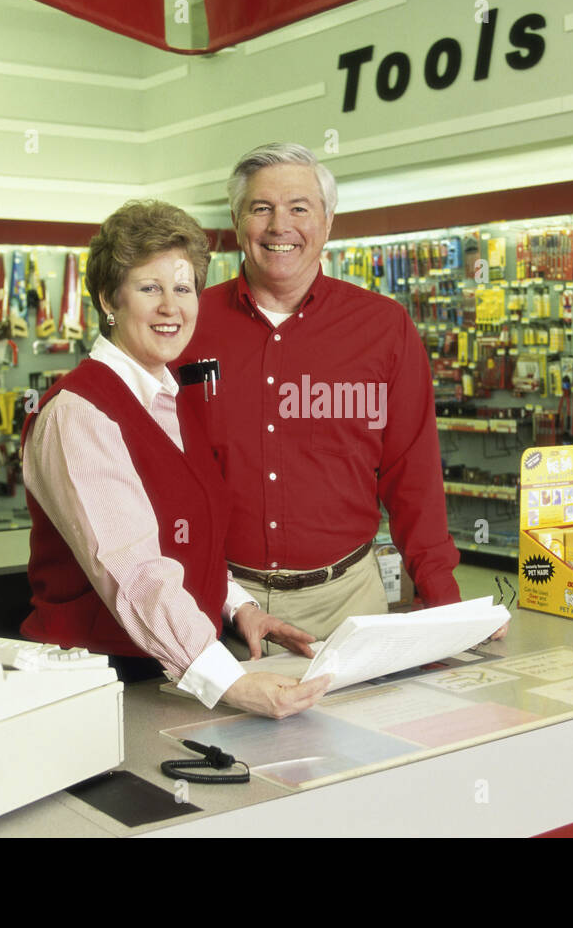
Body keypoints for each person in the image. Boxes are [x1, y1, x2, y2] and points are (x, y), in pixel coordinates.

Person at [178, 143, 503, 647]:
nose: (278, 225)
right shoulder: (187, 325)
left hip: (348, 603)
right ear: (238, 223)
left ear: (328, 223)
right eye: (261, 208)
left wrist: (443, 601)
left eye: (299, 208)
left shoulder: (384, 328)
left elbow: (412, 478)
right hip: (213, 602)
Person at [20, 199, 331, 718]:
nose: (172, 307)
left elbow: (188, 541)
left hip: (173, 671)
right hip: (101, 683)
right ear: (107, 300)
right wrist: (228, 681)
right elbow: (133, 571)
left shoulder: (172, 398)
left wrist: (238, 607)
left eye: (183, 289)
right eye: (149, 288)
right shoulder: (80, 414)